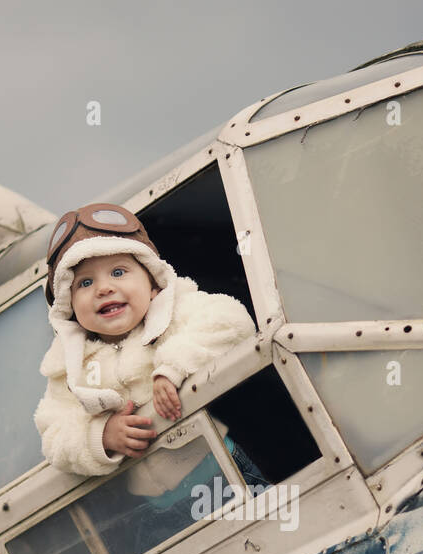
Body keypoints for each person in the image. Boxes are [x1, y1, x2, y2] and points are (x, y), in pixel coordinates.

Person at [34, 202, 263, 481]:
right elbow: (53, 435)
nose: (103, 288)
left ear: (153, 283)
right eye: (84, 283)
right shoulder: (68, 368)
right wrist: (100, 436)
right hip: (144, 507)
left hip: (217, 466)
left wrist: (171, 368)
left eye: (118, 272)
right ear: (68, 307)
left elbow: (232, 321)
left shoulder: (175, 312)